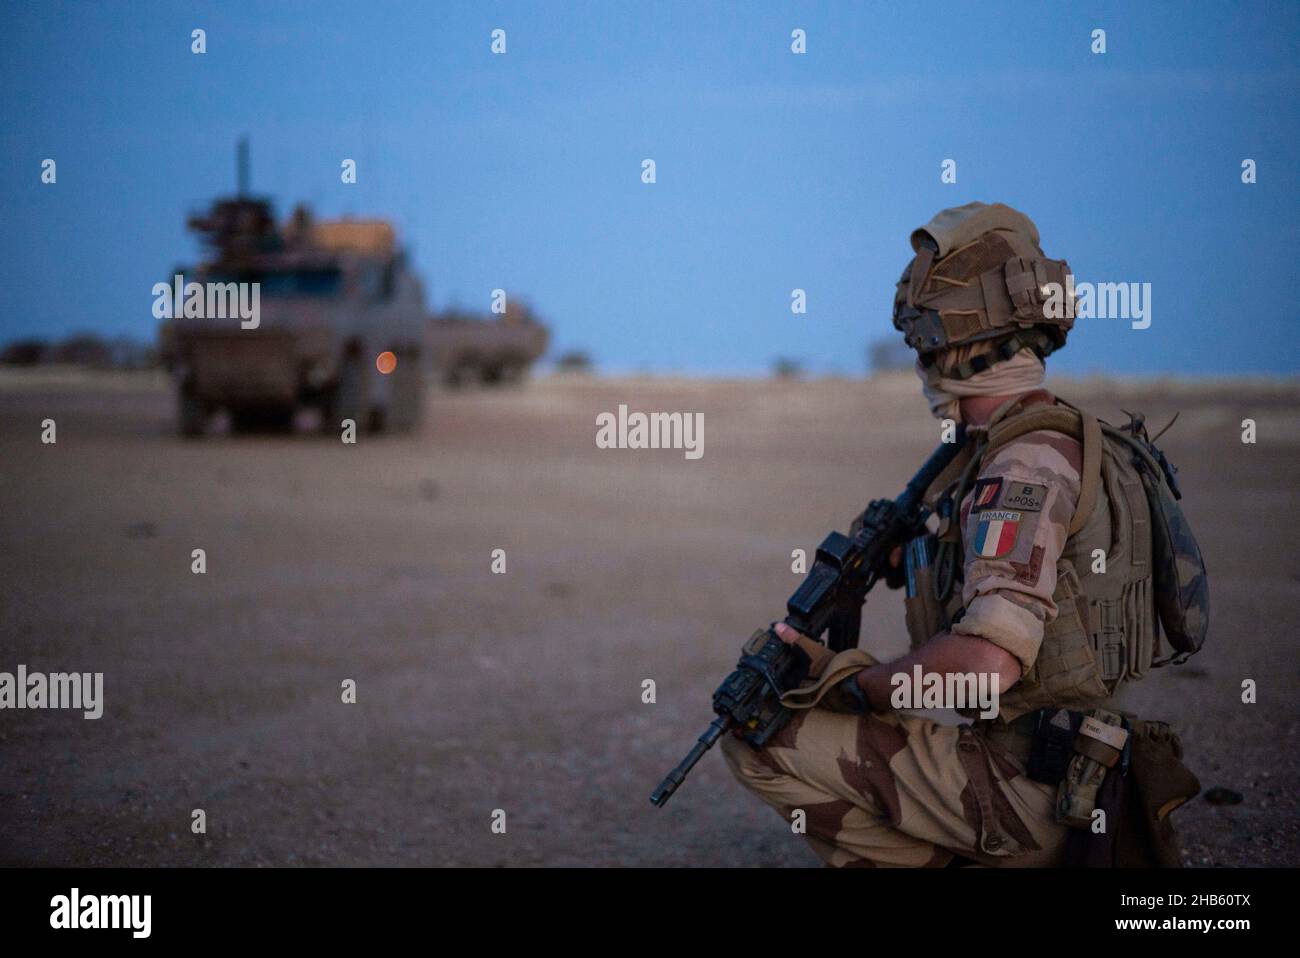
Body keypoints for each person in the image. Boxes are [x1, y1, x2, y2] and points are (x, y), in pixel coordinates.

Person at [722, 201, 1197, 867]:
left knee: (758, 735)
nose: (920, 351)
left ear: (956, 339)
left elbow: (985, 666)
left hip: (1034, 789)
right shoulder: (1057, 436)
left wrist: (860, 684)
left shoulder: (1021, 464)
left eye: (925, 335)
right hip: (1078, 758)